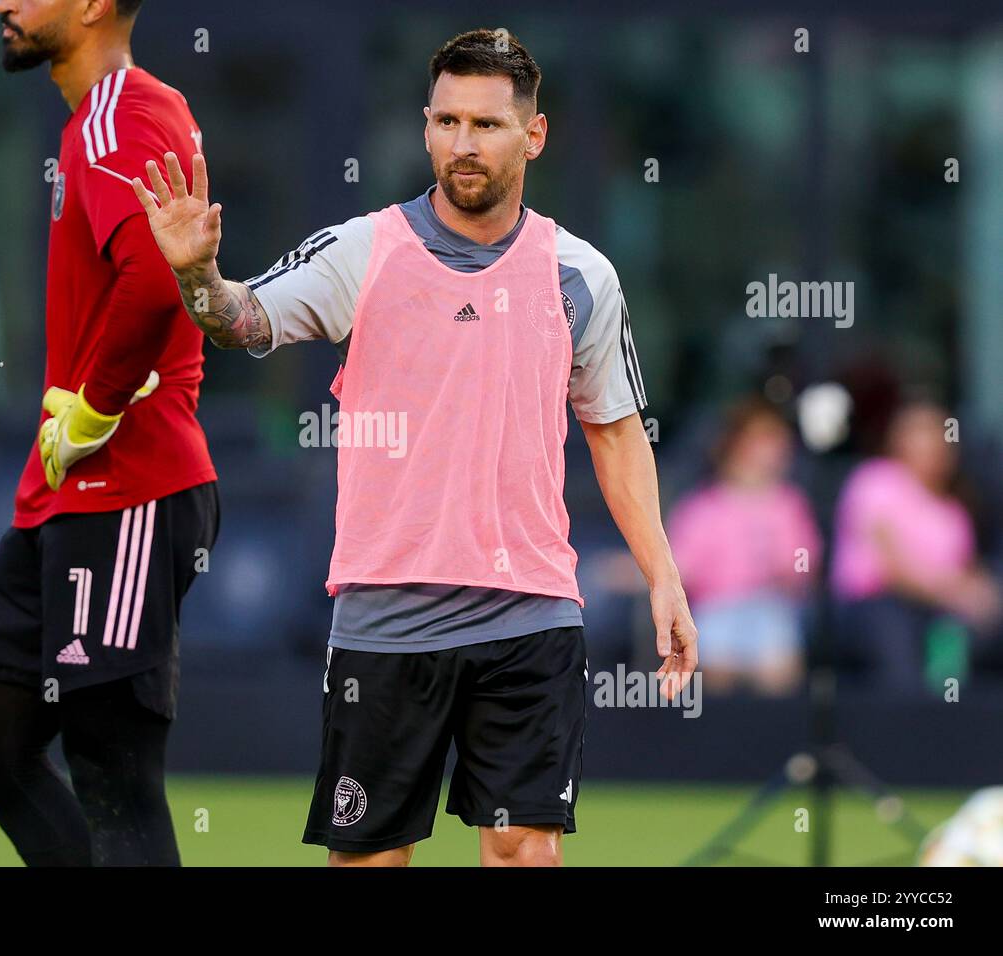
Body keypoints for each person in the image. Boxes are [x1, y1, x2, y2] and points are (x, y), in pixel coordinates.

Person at [133, 28, 697, 866]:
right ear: (426, 125)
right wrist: (195, 277)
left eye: (487, 125)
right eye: (447, 121)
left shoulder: (581, 275)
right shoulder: (364, 250)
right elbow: (240, 320)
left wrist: (663, 575)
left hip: (529, 608)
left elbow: (615, 432)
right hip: (387, 615)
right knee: (370, 859)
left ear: (532, 136)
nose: (463, 145)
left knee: (523, 850)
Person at [0, 0, 219, 866]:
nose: (3, 4)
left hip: (128, 483)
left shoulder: (118, 114)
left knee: (115, 775)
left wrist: (97, 408)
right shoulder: (96, 122)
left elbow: (152, 277)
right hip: (65, 490)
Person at [831, 398, 1000, 691]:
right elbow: (894, 568)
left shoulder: (953, 507)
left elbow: (964, 570)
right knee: (896, 639)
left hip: (934, 608)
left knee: (955, 637)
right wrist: (954, 594)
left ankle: (946, 712)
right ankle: (903, 724)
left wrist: (983, 593)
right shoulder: (875, 481)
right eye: (922, 434)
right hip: (873, 604)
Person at [668, 397, 821, 695]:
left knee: (777, 665)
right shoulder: (703, 506)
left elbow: (805, 566)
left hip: (772, 607)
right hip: (715, 609)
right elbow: (679, 568)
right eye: (764, 438)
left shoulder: (789, 505)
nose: (775, 448)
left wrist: (787, 569)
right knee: (715, 661)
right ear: (736, 444)